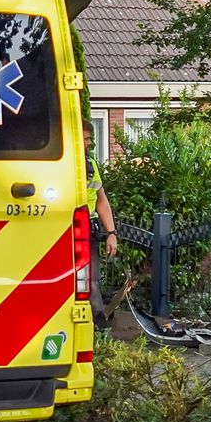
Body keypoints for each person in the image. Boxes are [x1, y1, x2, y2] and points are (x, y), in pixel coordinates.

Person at [83, 119, 117, 328]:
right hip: (63, 229)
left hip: (87, 229)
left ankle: (98, 329)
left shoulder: (91, 165)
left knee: (91, 282)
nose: (89, 143)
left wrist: (111, 232)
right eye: (85, 139)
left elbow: (101, 199)